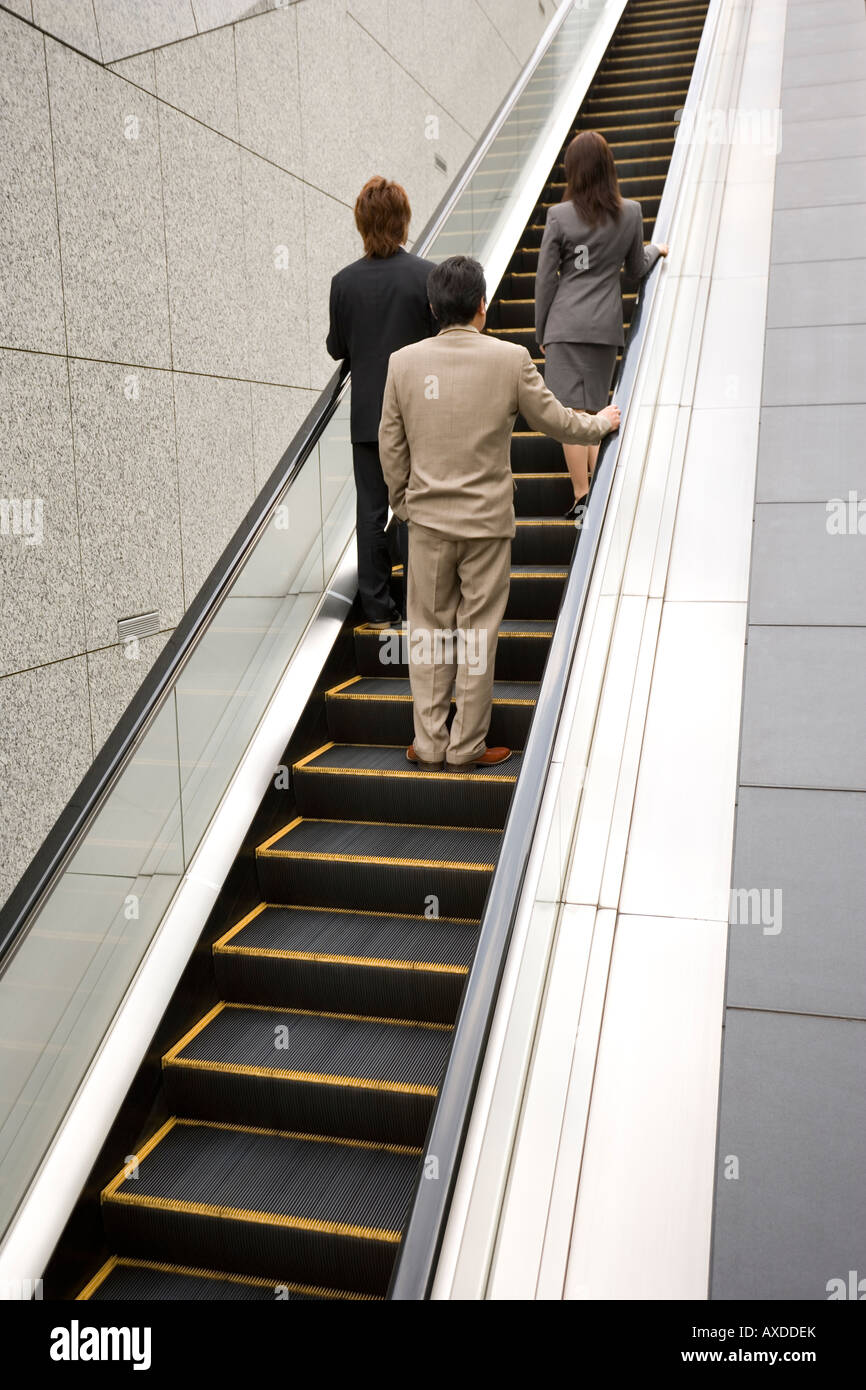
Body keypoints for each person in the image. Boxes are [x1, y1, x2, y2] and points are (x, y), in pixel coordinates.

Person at [379, 255, 620, 772]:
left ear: (432, 307)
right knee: (477, 632)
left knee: (426, 632)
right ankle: (466, 746)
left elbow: (390, 448)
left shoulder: (403, 364)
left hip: (427, 527)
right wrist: (599, 423)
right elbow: (555, 421)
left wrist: (405, 504)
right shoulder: (509, 360)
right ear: (483, 306)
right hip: (487, 524)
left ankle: (428, 744)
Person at [535, 130, 668, 519]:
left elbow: (545, 280)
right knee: (595, 410)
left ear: (573, 171)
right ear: (609, 167)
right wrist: (655, 250)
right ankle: (594, 493)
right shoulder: (630, 213)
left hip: (564, 325)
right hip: (604, 329)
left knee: (568, 413)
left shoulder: (560, 216)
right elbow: (634, 272)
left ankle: (582, 492)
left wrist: (541, 331)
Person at [327, 177, 437, 627]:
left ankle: (376, 609)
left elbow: (338, 347)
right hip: (417, 415)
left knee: (370, 512)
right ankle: (419, 606)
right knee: (415, 507)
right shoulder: (427, 276)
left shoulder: (344, 283)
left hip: (368, 416)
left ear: (362, 223)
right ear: (404, 220)